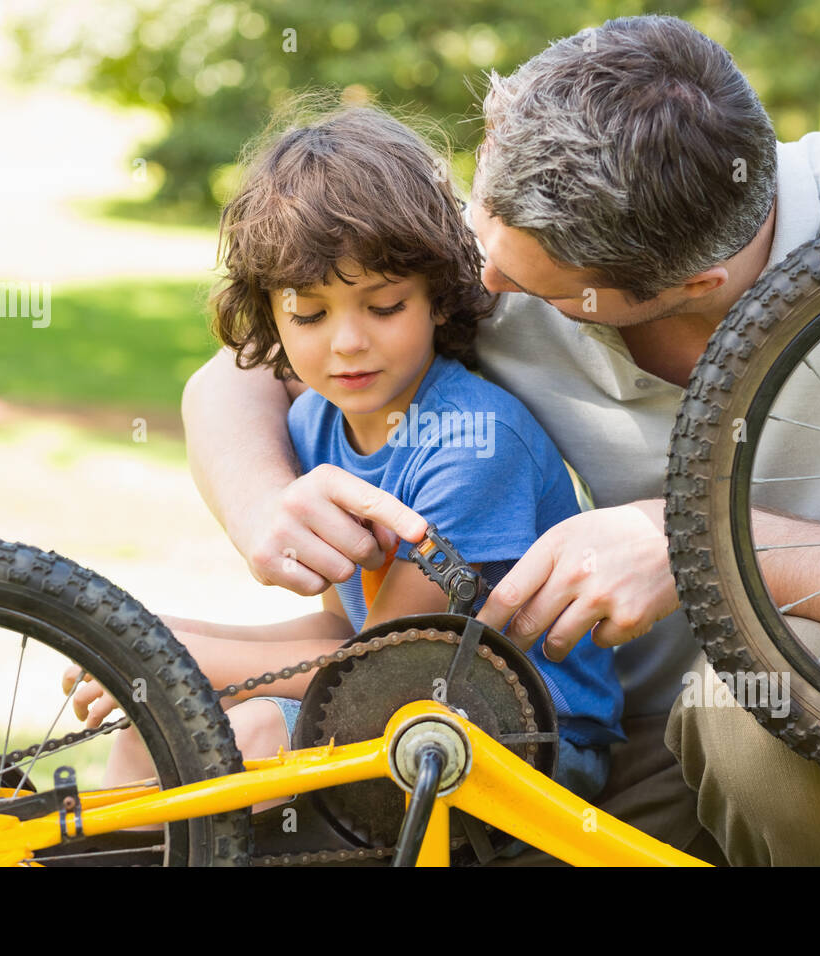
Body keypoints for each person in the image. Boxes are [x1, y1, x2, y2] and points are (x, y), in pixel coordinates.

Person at [181, 16, 820, 864]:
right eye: (482, 220)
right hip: (591, 734)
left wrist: (695, 544)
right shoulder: (514, 232)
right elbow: (241, 371)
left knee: (744, 711)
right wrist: (263, 502)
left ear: (696, 282)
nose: (481, 277)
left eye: (533, 284)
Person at [66, 101, 624, 805]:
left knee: (261, 730)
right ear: (271, 314)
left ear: (439, 300)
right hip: (399, 705)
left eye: (384, 307)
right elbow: (342, 628)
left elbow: (390, 666)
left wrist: (178, 655)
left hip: (526, 740)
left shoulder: (474, 443)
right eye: (309, 313)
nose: (348, 343)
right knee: (157, 725)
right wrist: (166, 639)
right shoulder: (313, 426)